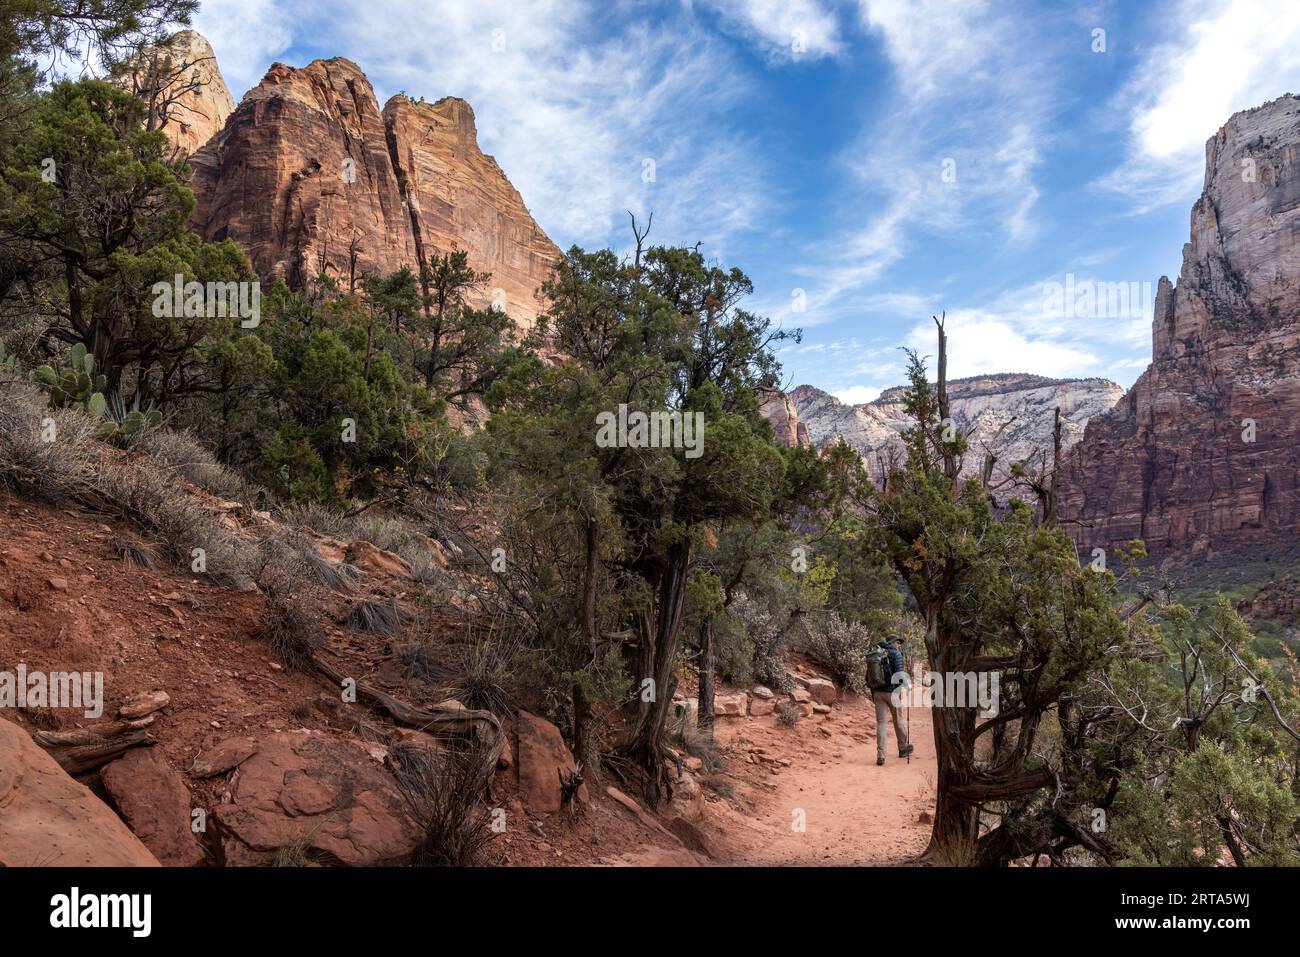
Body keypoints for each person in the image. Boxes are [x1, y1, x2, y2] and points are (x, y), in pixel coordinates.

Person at [873, 635, 914, 766]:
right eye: (898, 642)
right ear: (892, 642)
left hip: (877, 692)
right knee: (898, 720)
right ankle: (903, 749)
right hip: (892, 693)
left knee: (881, 723)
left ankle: (881, 755)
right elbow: (899, 674)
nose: (899, 645)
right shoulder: (896, 654)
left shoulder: (877, 652)